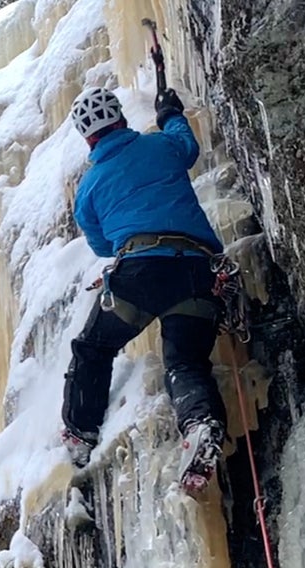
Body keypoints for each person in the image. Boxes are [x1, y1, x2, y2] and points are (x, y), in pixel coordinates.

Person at [61, 86, 228, 493]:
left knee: (94, 348)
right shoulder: (161, 146)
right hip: (197, 271)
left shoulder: (89, 186)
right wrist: (170, 112)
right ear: (120, 118)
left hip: (139, 274)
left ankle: (81, 434)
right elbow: (188, 146)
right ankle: (200, 423)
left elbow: (101, 245)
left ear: (88, 138)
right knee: (185, 363)